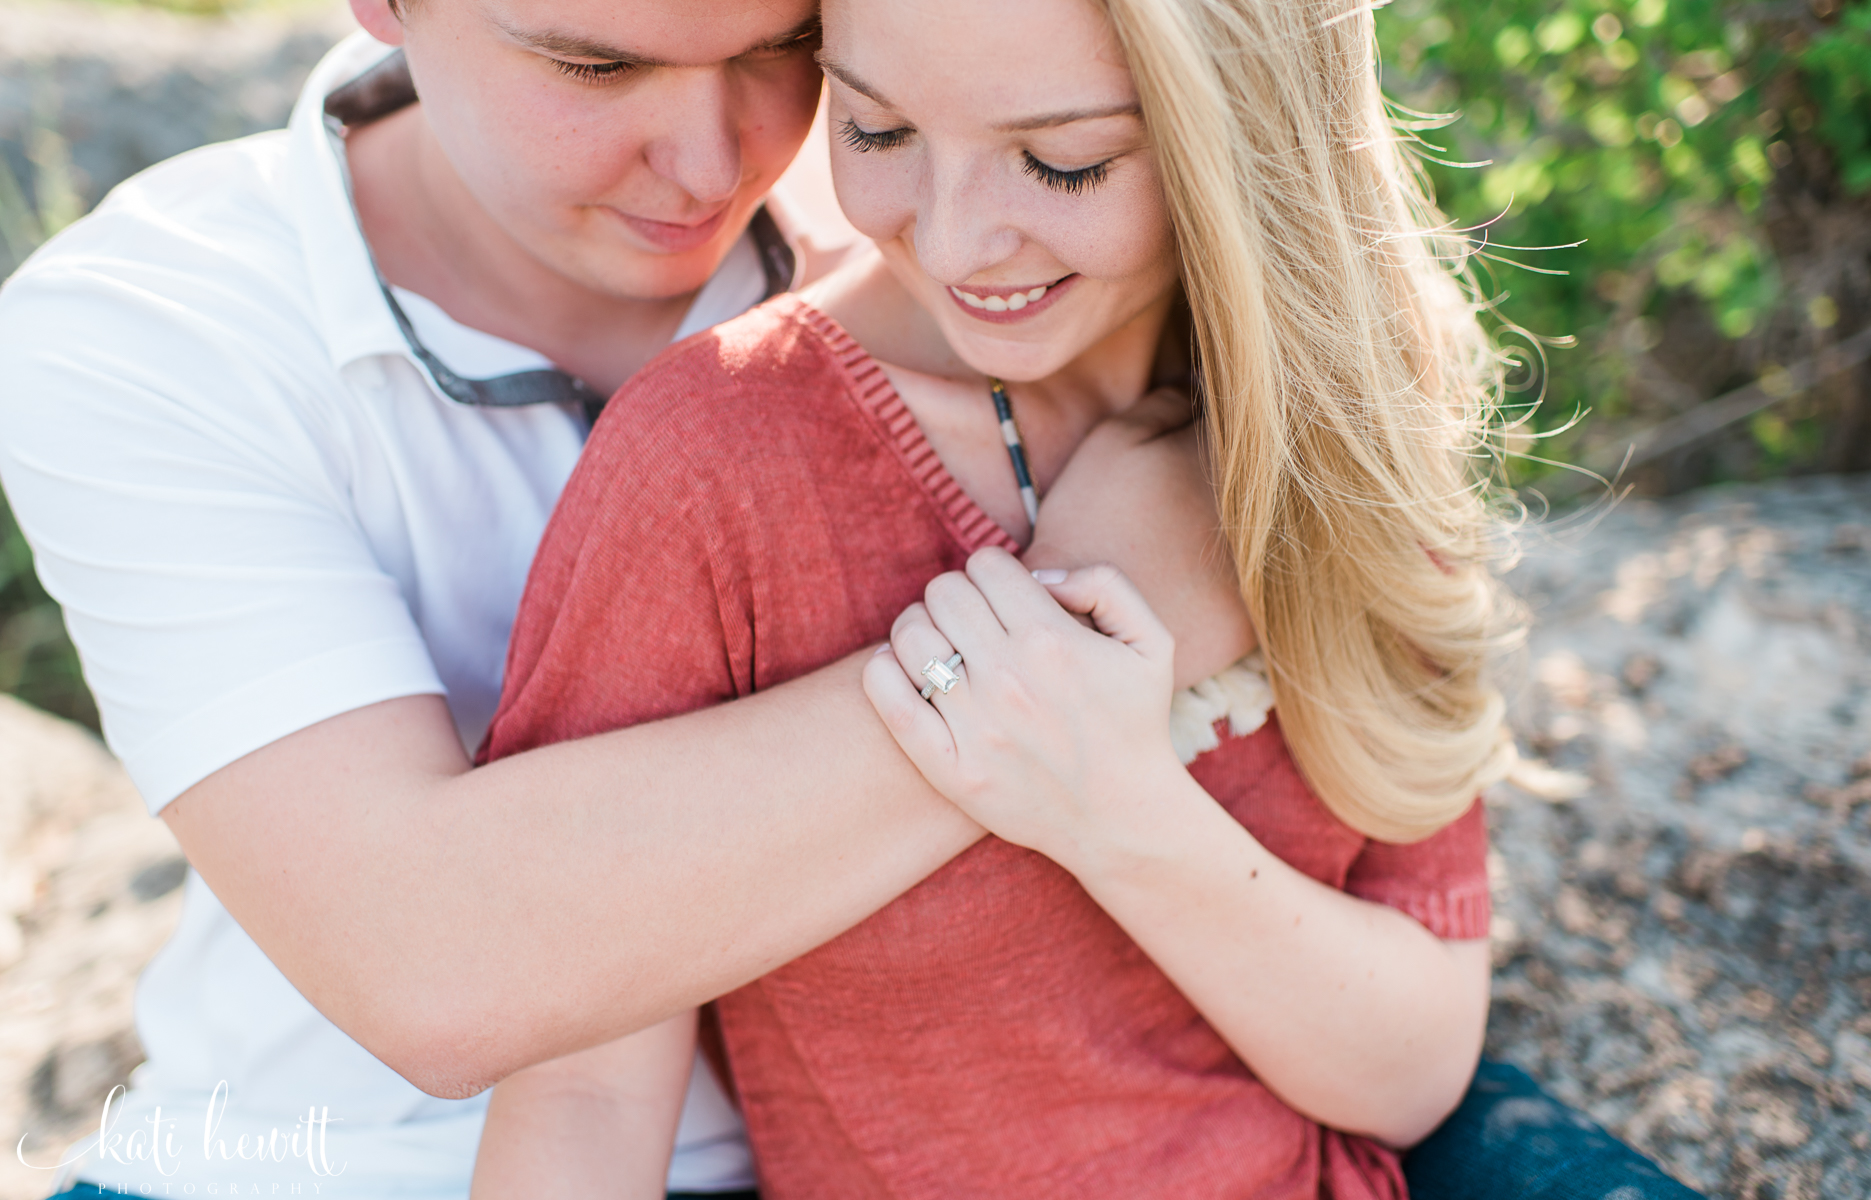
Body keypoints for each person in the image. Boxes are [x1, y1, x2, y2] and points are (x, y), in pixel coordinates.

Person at [0, 0, 1250, 1196]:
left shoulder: (933, 210)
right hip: (335, 1162)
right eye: (596, 68)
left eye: (784, 46)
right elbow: (435, 970)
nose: (713, 161)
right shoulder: (152, 325)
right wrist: (1071, 621)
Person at [469, 0, 1499, 1193]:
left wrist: (1113, 803)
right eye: (873, 131)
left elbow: (1412, 1067)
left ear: (1243, 131)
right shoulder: (707, 468)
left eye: (1064, 161)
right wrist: (1061, 627)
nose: (954, 244)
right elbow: (582, 1100)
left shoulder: (1347, 425)